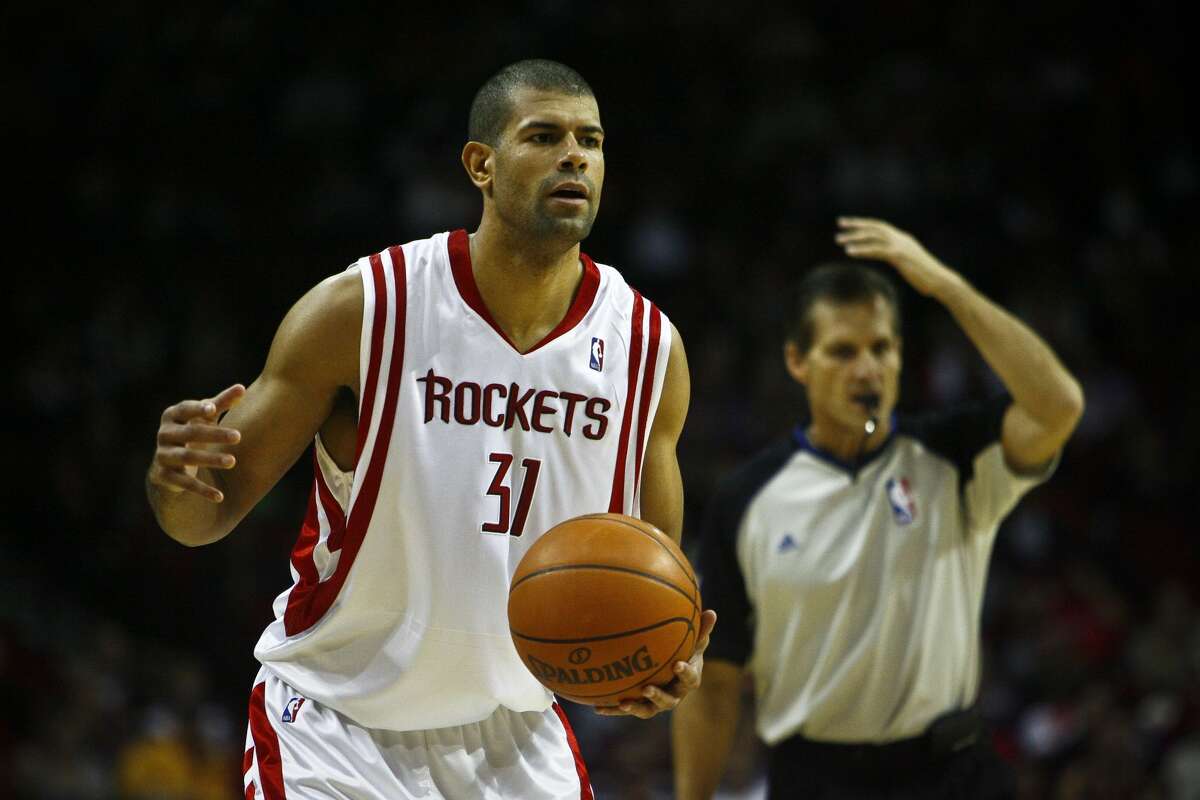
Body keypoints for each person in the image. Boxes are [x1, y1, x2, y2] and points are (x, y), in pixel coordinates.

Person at [146, 59, 716, 798]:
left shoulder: (648, 351)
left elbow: (650, 574)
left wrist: (661, 663)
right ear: (481, 164)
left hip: (515, 735)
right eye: (543, 136)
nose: (574, 156)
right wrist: (176, 482)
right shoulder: (364, 309)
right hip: (337, 727)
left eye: (591, 140)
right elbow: (199, 521)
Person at [672, 218, 1084, 799]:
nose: (867, 368)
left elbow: (1059, 407)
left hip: (950, 774)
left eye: (882, 348)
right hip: (817, 779)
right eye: (843, 351)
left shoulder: (952, 453)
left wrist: (945, 286)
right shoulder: (748, 497)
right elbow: (715, 686)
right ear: (798, 362)